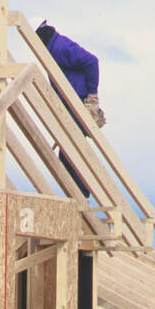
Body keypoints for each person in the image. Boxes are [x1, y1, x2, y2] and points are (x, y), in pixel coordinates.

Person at [35, 21, 106, 198]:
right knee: (67, 156)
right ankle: (79, 196)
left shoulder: (59, 47)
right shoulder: (52, 50)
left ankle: (81, 196)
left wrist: (92, 96)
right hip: (70, 105)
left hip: (78, 104)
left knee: (69, 154)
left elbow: (91, 61)